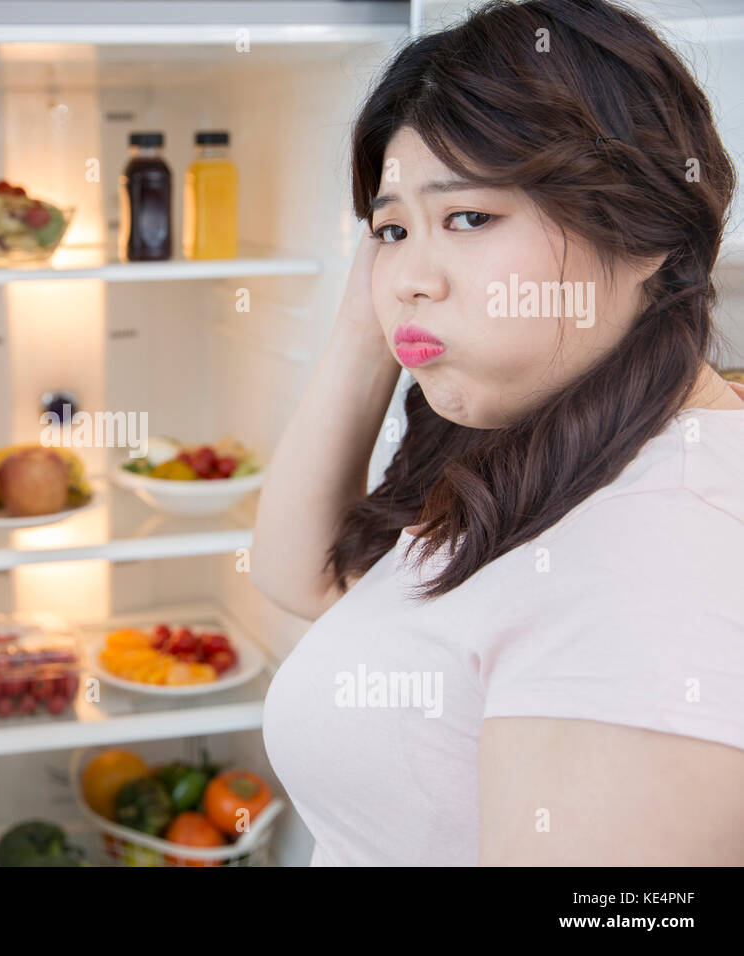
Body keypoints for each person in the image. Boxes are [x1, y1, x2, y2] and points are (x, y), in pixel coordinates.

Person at [257, 0, 744, 865]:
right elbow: (303, 573)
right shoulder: (546, 433)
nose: (404, 274)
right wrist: (372, 329)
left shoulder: (658, 548)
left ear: (644, 231)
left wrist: (412, 275)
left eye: (470, 218)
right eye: (390, 229)